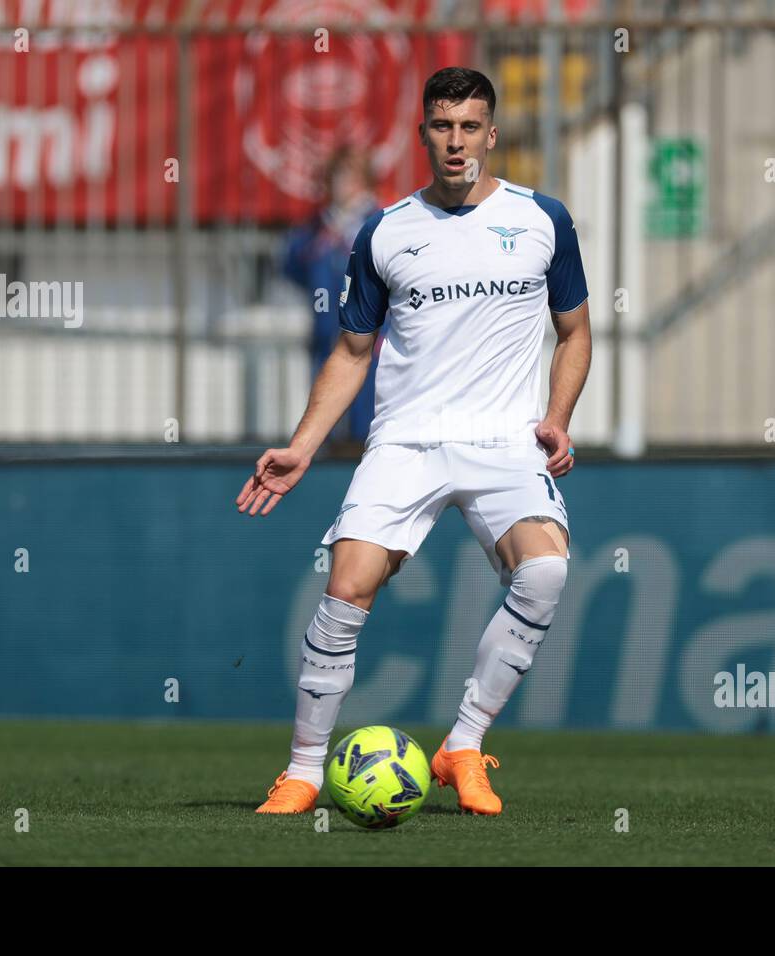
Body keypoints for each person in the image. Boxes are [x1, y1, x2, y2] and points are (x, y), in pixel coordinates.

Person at [237, 66, 591, 817]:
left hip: (503, 439)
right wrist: (302, 445)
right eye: (442, 125)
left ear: (491, 135)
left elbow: (575, 332)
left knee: (547, 574)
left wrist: (557, 415)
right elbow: (353, 350)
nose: (456, 140)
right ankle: (302, 771)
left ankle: (464, 743)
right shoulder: (387, 230)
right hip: (405, 439)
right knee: (347, 585)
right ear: (423, 133)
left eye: (470, 126)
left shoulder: (543, 220)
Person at [281, 146, 381, 442]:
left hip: (370, 346)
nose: (340, 184)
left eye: (348, 176)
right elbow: (293, 266)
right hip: (326, 340)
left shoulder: (381, 222)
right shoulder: (318, 230)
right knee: (325, 426)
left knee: (369, 429)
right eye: (336, 176)